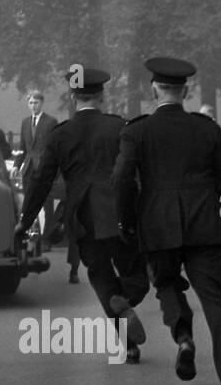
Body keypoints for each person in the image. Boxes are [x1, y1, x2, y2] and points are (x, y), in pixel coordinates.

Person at [112, 57, 221, 385]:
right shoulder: (207, 128)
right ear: (185, 90)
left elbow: (121, 180)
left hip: (157, 224)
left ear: (153, 89)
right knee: (216, 299)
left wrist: (127, 220)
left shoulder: (137, 130)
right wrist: (212, 199)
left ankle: (184, 337)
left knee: (168, 284)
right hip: (205, 223)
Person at [16, 67, 150, 361]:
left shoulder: (60, 134)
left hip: (81, 217)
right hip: (118, 212)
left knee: (100, 275)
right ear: (101, 95)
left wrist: (25, 221)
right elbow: (135, 171)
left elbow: (40, 182)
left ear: (73, 97)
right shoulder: (118, 127)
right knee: (136, 274)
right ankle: (125, 300)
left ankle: (128, 344)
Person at [19, 90, 60, 241]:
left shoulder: (50, 122)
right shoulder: (25, 123)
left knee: (46, 203)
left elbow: (53, 145)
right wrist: (17, 166)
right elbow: (23, 148)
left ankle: (47, 237)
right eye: (30, 103)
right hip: (29, 168)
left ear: (41, 103)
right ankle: (29, 234)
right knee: (29, 203)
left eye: (36, 102)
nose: (33, 106)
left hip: (44, 167)